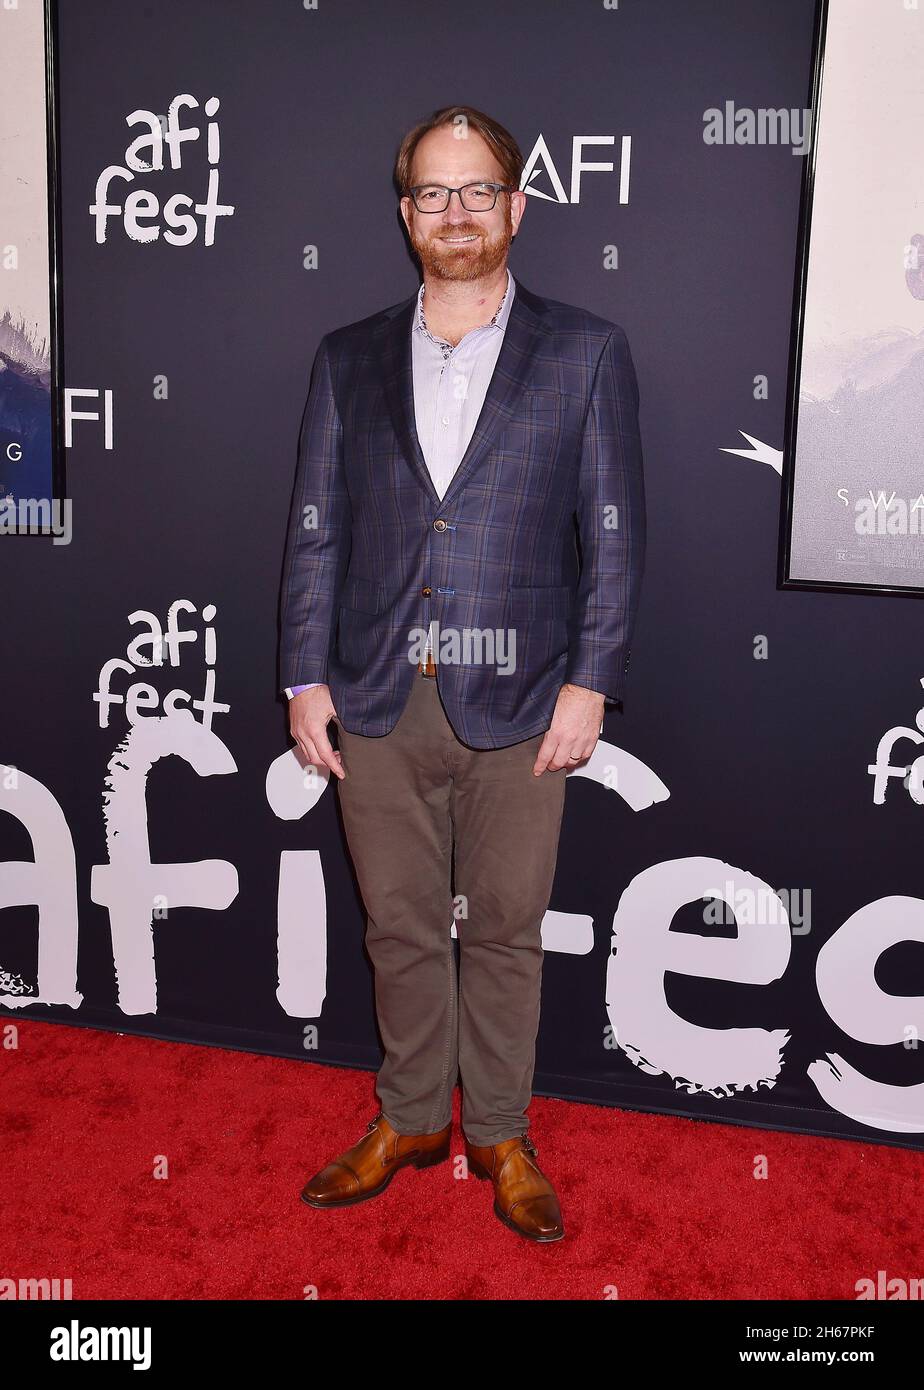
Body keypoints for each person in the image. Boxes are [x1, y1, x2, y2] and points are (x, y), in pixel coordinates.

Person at [279, 104, 646, 1243]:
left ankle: (496, 1130)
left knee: (502, 930)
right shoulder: (346, 356)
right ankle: (408, 1119)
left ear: (516, 207)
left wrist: (592, 681)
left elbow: (616, 533)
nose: (456, 212)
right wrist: (303, 675)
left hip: (526, 697)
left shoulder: (585, 349)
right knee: (395, 924)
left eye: (477, 190)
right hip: (377, 690)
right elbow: (315, 532)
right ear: (406, 214)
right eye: (433, 194)